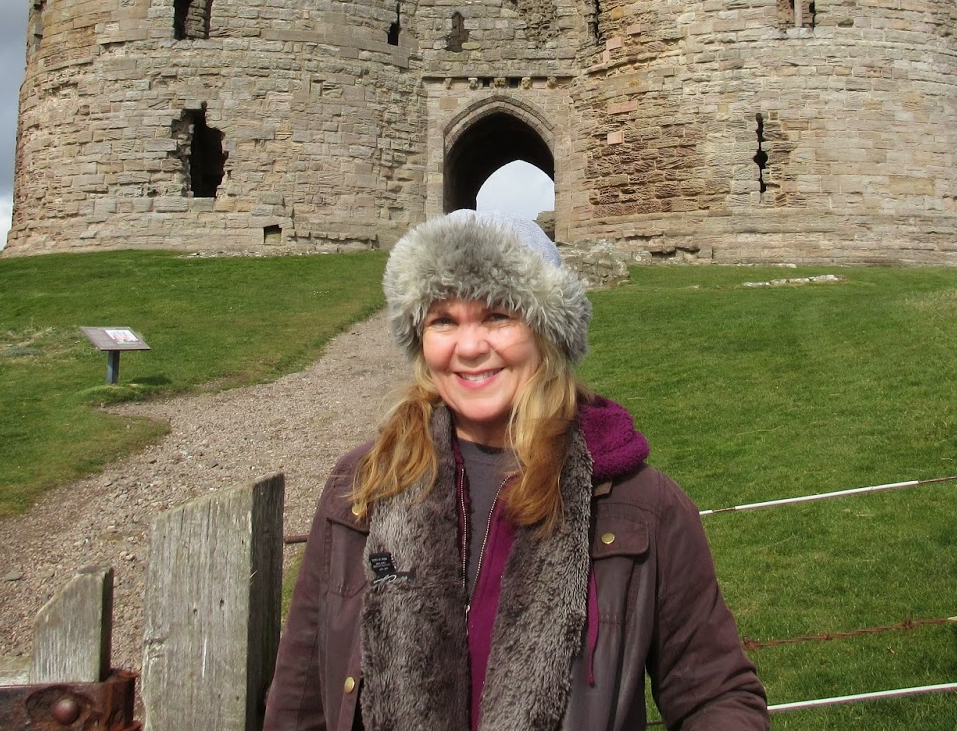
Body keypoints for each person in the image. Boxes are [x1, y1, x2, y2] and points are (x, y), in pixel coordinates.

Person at [264, 210, 768, 731]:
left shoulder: (637, 504)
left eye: (498, 315)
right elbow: (299, 703)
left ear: (548, 332)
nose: (469, 347)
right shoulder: (362, 486)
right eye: (443, 320)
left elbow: (718, 697)